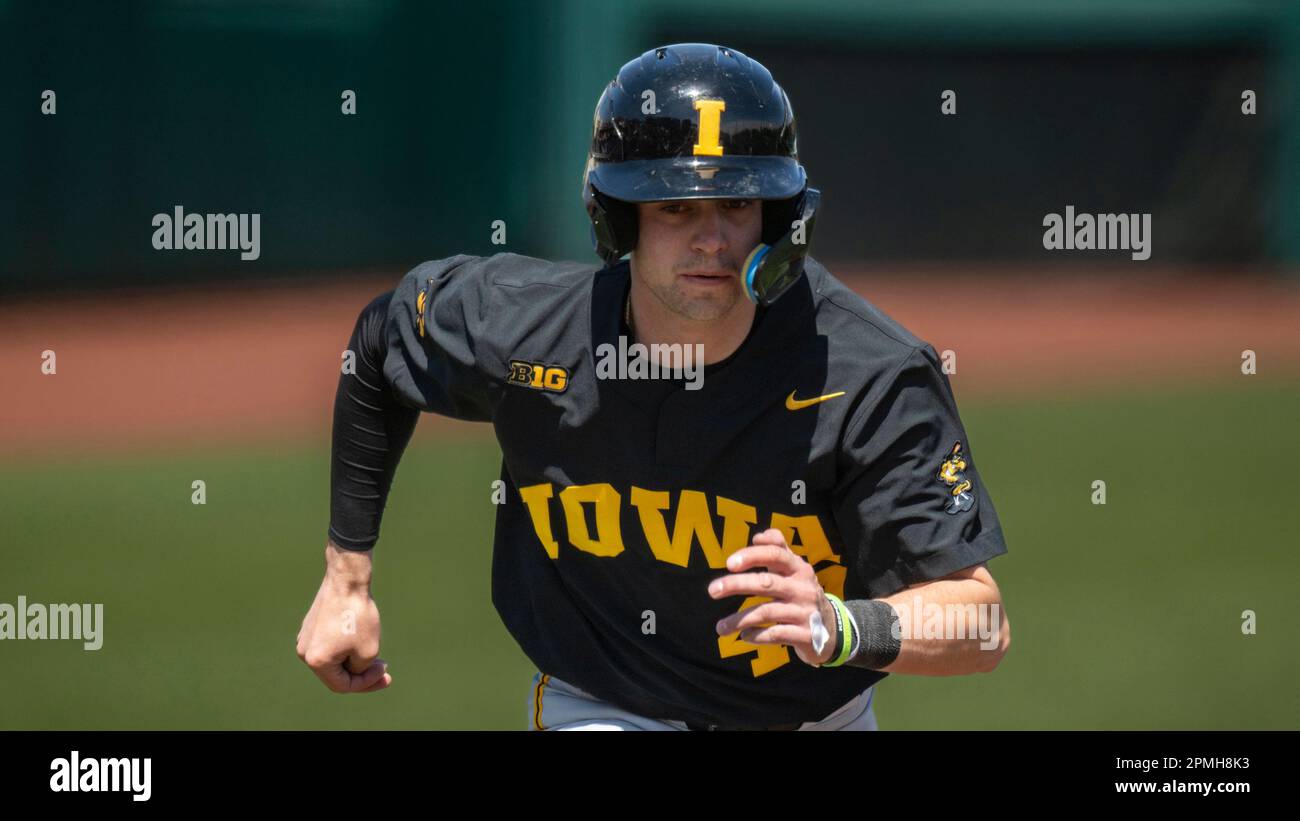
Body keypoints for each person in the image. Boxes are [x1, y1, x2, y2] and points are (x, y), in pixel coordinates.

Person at [296, 43, 1010, 731]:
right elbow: (380, 343)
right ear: (617, 218)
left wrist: (843, 622)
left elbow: (981, 620)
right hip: (605, 708)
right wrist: (345, 579)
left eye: (737, 204)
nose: (712, 239)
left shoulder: (866, 375)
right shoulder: (522, 331)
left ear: (780, 218)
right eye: (675, 208)